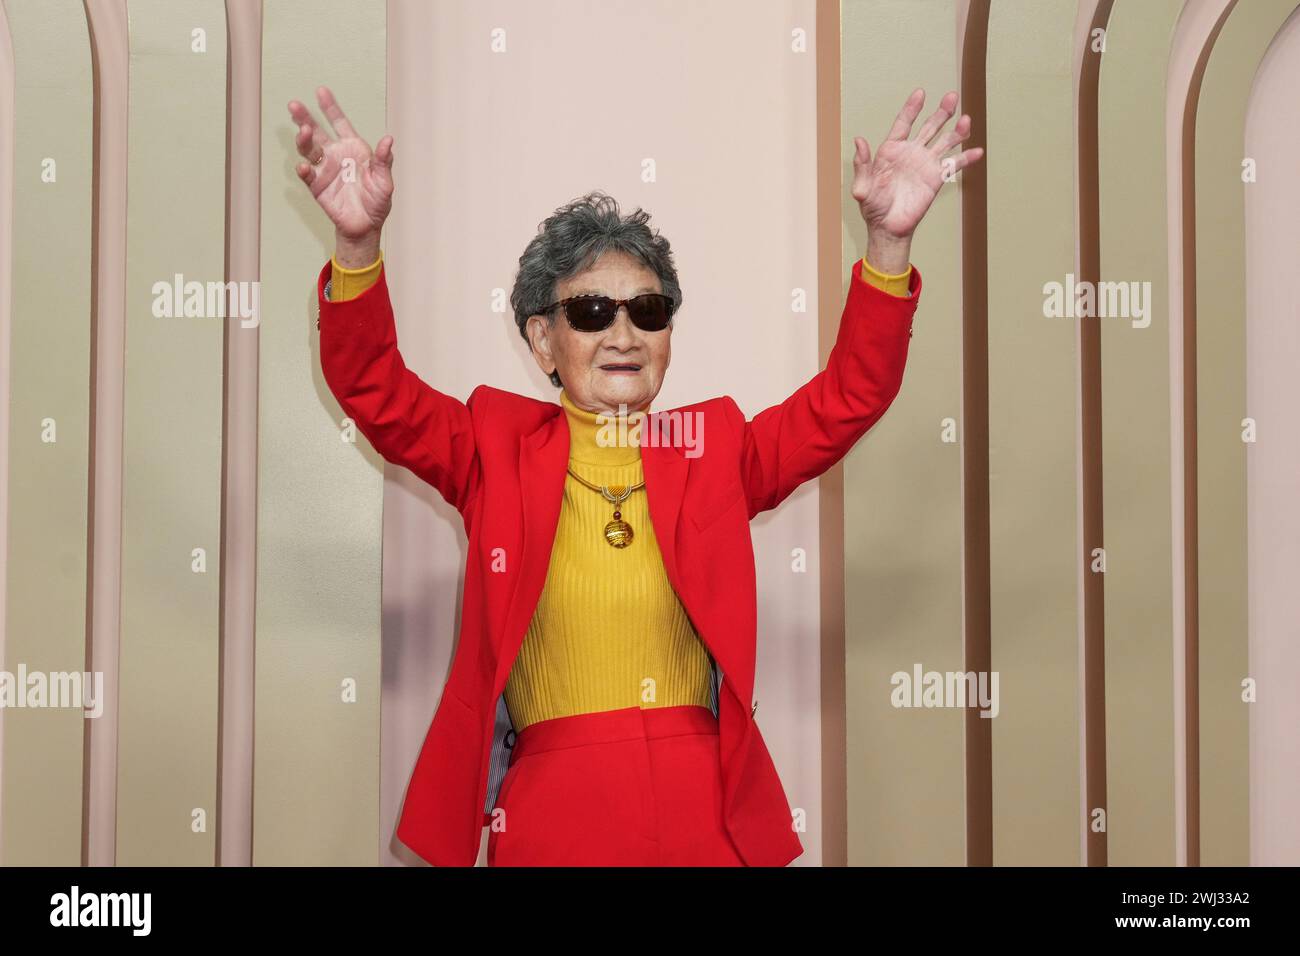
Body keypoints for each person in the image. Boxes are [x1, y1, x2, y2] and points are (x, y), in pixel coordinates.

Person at [288, 85, 982, 866]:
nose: (623, 333)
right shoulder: (491, 444)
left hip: (707, 813)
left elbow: (850, 396)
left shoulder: (712, 447)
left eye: (648, 311)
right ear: (542, 340)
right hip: (551, 814)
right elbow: (373, 389)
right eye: (591, 314)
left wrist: (888, 247)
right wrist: (356, 249)